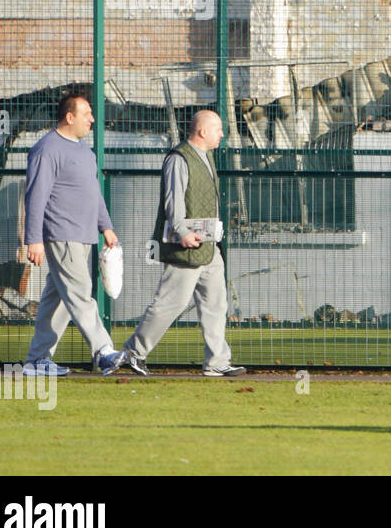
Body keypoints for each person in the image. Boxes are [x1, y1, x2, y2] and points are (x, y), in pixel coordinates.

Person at [122, 110, 246, 377]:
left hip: (209, 248)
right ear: (202, 131)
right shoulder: (179, 158)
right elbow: (173, 200)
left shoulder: (207, 157)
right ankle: (133, 353)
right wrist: (181, 232)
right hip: (186, 246)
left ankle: (217, 363)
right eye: (218, 129)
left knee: (216, 304)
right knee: (170, 303)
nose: (222, 134)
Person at [22, 92, 127, 377]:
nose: (92, 119)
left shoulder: (84, 151)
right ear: (70, 117)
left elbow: (94, 193)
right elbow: (35, 197)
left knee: (56, 301)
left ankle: (37, 360)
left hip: (83, 237)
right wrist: (33, 239)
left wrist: (105, 225)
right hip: (61, 235)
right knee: (80, 294)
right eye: (87, 114)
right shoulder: (47, 149)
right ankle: (104, 351)